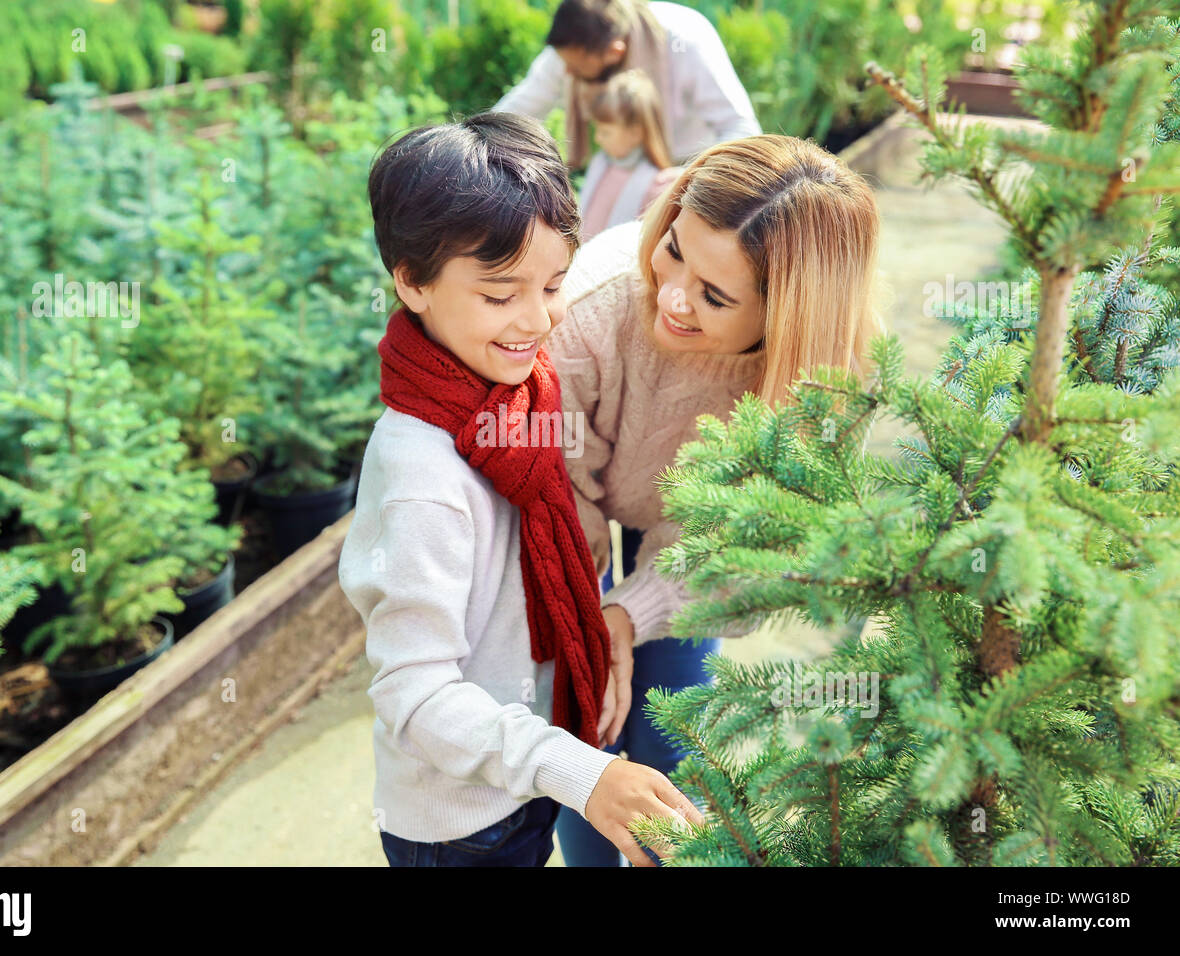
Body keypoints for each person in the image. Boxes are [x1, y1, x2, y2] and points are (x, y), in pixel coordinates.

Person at [339, 110, 704, 867]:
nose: (538, 320)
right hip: (460, 823)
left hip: (518, 782)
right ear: (411, 281)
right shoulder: (423, 472)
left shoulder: (518, 395)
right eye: (500, 295)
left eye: (555, 284)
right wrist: (582, 772)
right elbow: (416, 696)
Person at [547, 134, 884, 865]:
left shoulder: (826, 387)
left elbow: (740, 551)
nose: (673, 296)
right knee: (584, 714)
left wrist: (631, 613)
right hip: (582, 482)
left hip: (697, 524)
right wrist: (590, 610)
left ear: (788, 313)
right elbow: (555, 478)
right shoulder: (593, 307)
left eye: (715, 295)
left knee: (672, 719)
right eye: (674, 250)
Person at [493, 0, 761, 171]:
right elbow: (517, 110)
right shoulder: (571, 49)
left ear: (614, 52)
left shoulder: (686, 40)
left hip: (688, 167)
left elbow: (741, 129)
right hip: (619, 166)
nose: (566, 72)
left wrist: (688, 181)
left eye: (575, 66)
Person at [578, 69, 682, 242]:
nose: (597, 138)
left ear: (635, 133)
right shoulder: (601, 164)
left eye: (606, 132)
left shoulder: (656, 186)